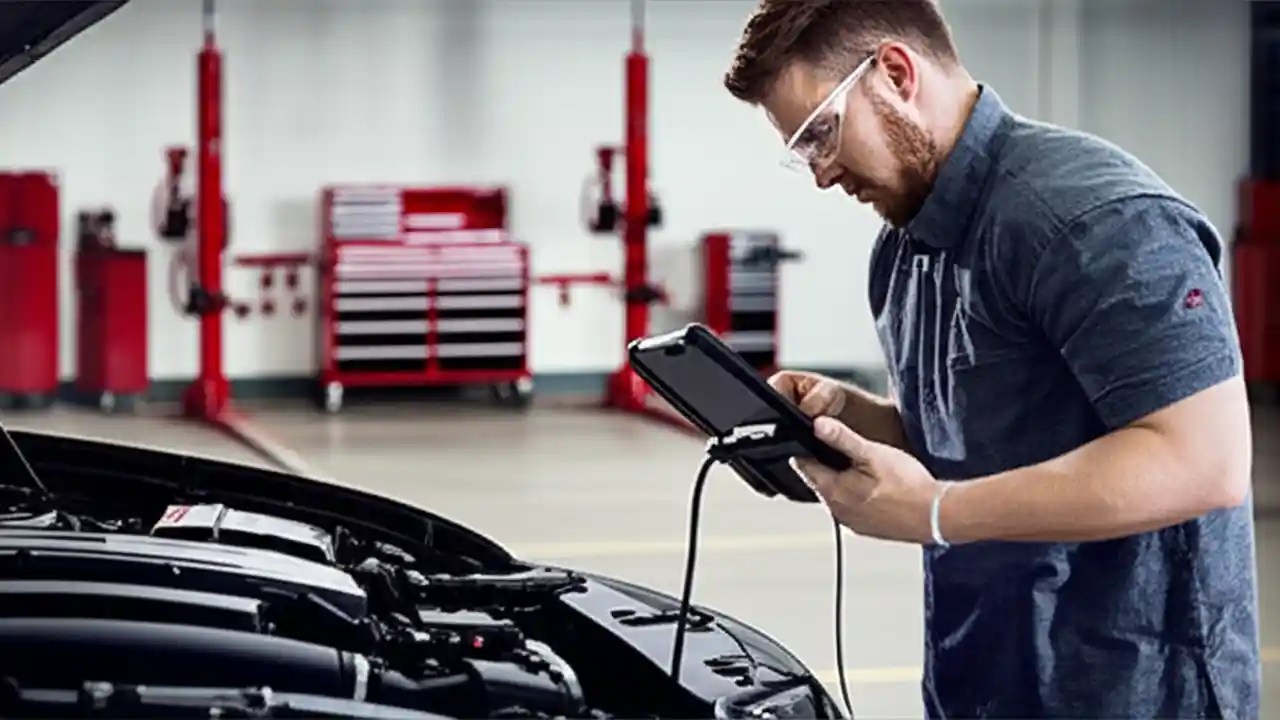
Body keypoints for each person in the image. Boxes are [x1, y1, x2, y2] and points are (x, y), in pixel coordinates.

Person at [721, 1, 1261, 718]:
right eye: (802, 151)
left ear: (895, 72)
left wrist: (938, 511)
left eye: (822, 133)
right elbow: (976, 440)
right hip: (980, 679)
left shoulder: (1095, 219)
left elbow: (1202, 462)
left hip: (1128, 688)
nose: (822, 174)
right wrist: (855, 418)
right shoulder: (907, 247)